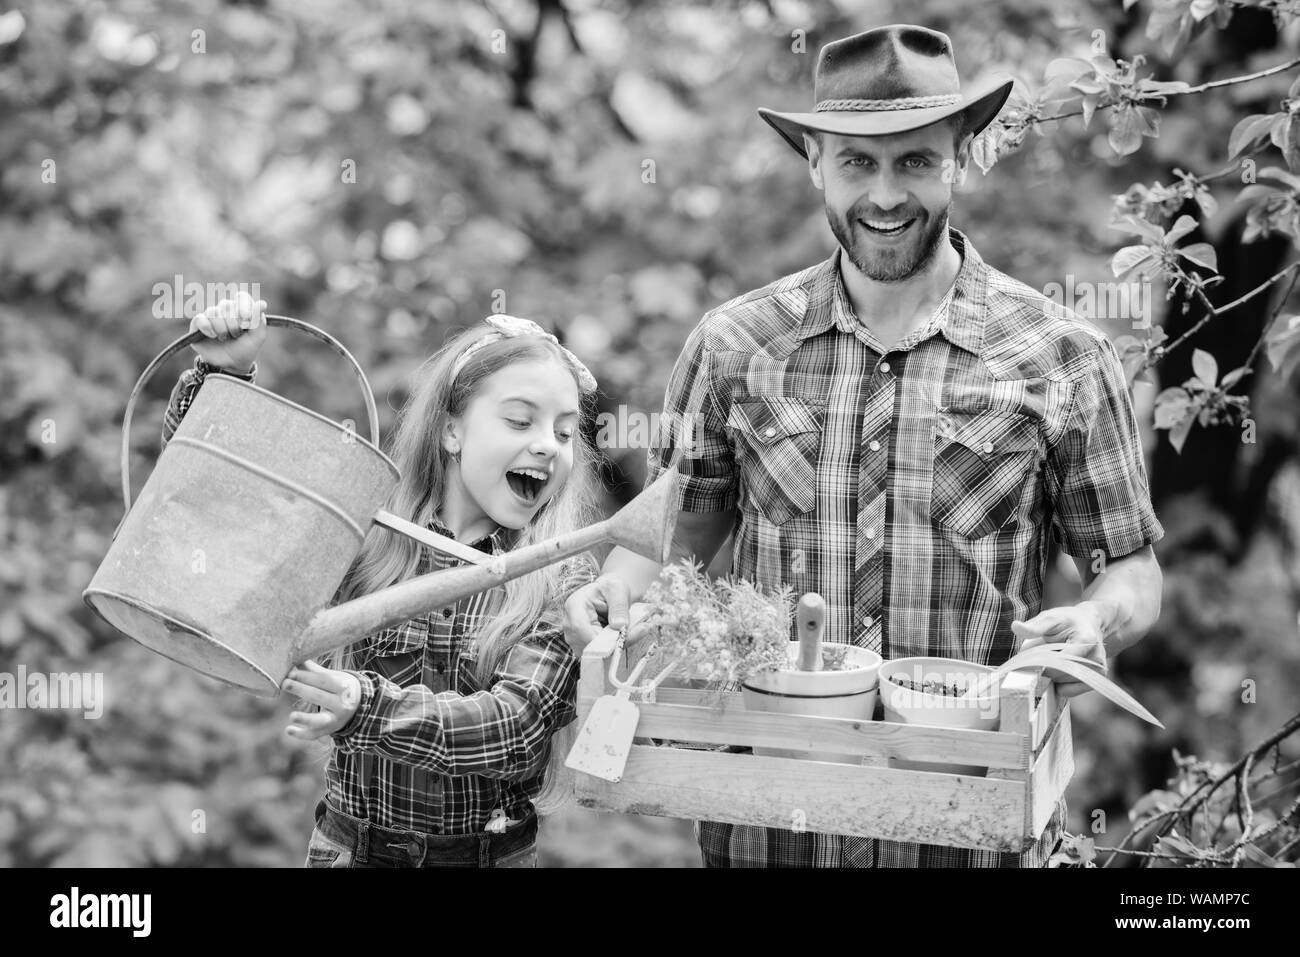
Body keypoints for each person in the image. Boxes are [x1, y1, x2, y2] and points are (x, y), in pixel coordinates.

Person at [563, 24, 1165, 868]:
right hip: (770, 830)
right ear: (815, 162)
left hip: (971, 832)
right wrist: (614, 594)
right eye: (857, 163)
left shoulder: (1061, 354)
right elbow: (678, 533)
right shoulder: (736, 344)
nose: (885, 195)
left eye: (915, 161)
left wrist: (1101, 617)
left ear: (960, 155)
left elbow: (1130, 566)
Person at [161, 294, 602, 867]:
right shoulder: (369, 536)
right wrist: (225, 372)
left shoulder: (561, 576)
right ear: (451, 432)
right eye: (521, 420)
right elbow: (224, 504)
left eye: (565, 433)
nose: (548, 443)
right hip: (351, 853)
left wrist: (365, 706)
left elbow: (515, 729)